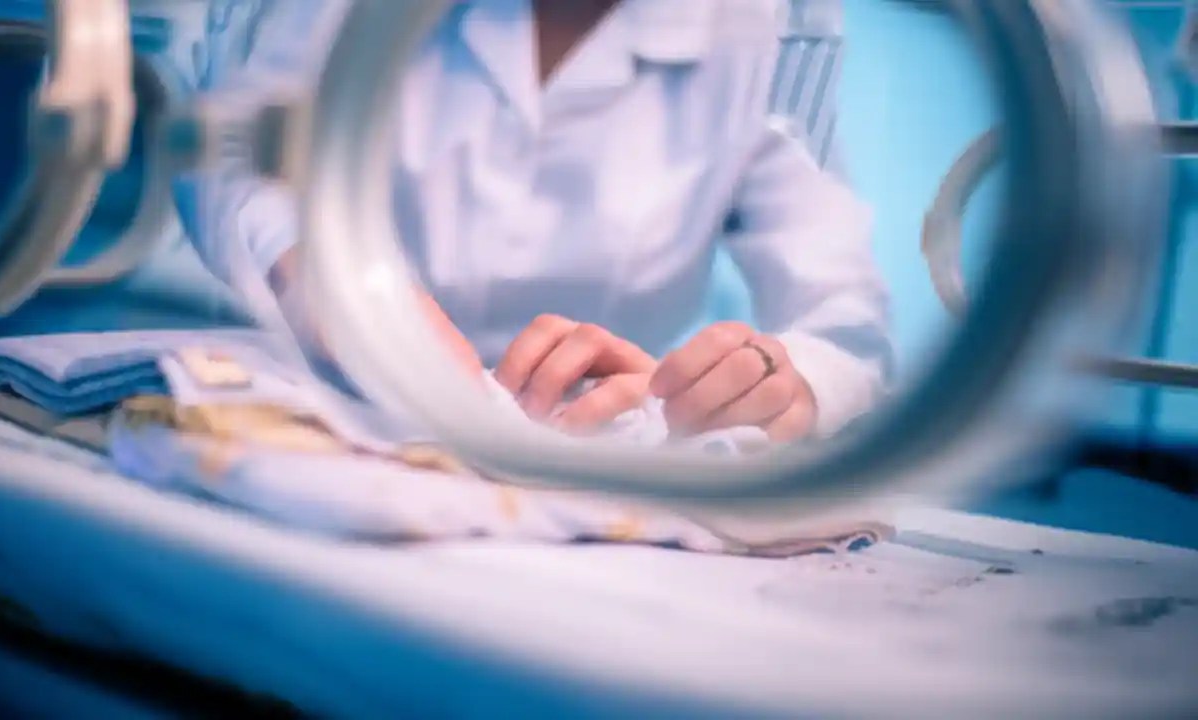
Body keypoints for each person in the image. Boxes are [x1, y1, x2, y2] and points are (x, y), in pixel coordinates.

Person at [187, 0, 892, 443]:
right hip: (326, 407)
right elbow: (223, 149)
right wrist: (328, 280)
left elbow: (845, 315)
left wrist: (781, 383)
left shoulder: (773, 24)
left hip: (592, 453)